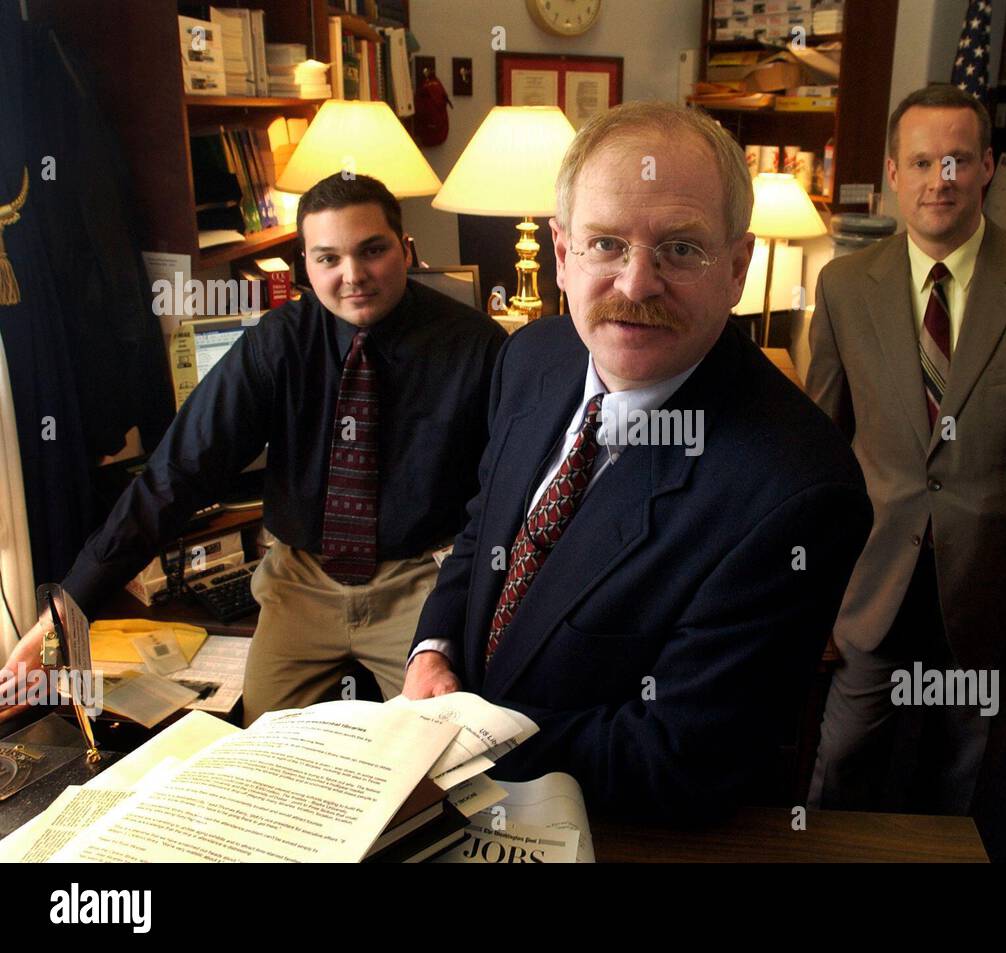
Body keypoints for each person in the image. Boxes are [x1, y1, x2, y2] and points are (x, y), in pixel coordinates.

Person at [402, 101, 872, 820]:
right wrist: (432, 649)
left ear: (738, 266)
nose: (636, 283)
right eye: (606, 244)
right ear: (562, 253)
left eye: (681, 249)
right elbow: (482, 532)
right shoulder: (530, 358)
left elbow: (683, 756)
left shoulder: (800, 490)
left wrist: (466, 741)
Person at [0, 173, 505, 726]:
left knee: (445, 752)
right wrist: (63, 617)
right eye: (328, 258)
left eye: (372, 251)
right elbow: (175, 476)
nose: (353, 276)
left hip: (419, 579)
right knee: (260, 754)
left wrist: (448, 622)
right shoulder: (276, 342)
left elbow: (503, 500)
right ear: (304, 264)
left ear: (405, 248)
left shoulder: (478, 346)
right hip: (301, 582)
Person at [807, 85, 1006, 814]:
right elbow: (820, 449)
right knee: (843, 760)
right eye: (921, 162)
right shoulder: (845, 285)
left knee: (959, 771)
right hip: (875, 576)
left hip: (997, 588)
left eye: (955, 160)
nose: (937, 179)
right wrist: (810, 574)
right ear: (893, 173)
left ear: (987, 166)